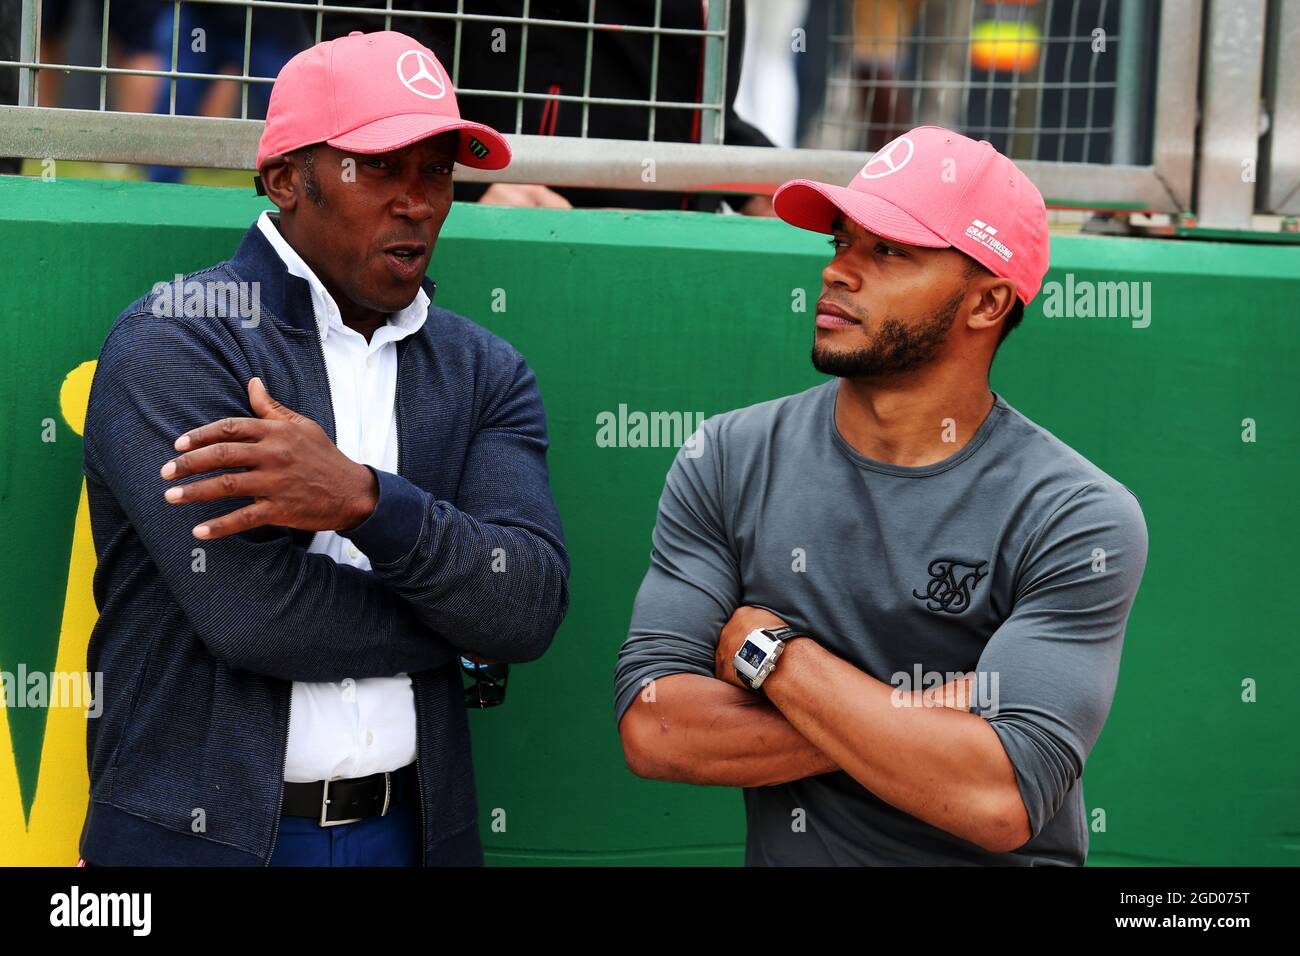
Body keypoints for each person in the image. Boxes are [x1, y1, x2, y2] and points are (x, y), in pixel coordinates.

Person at [79, 30, 569, 866]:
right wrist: (461, 628)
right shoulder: (177, 340)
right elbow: (254, 616)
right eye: (378, 167)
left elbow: (526, 600)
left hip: (412, 834)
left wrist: (367, 503)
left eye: (438, 170)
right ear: (284, 179)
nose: (417, 200)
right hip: (192, 843)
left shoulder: (484, 369)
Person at [614, 125, 1148, 866]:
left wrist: (774, 657)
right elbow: (655, 729)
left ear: (987, 303)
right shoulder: (727, 458)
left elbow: (1001, 797)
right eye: (841, 242)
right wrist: (922, 711)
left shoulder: (1075, 512)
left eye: (889, 251)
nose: (839, 272)